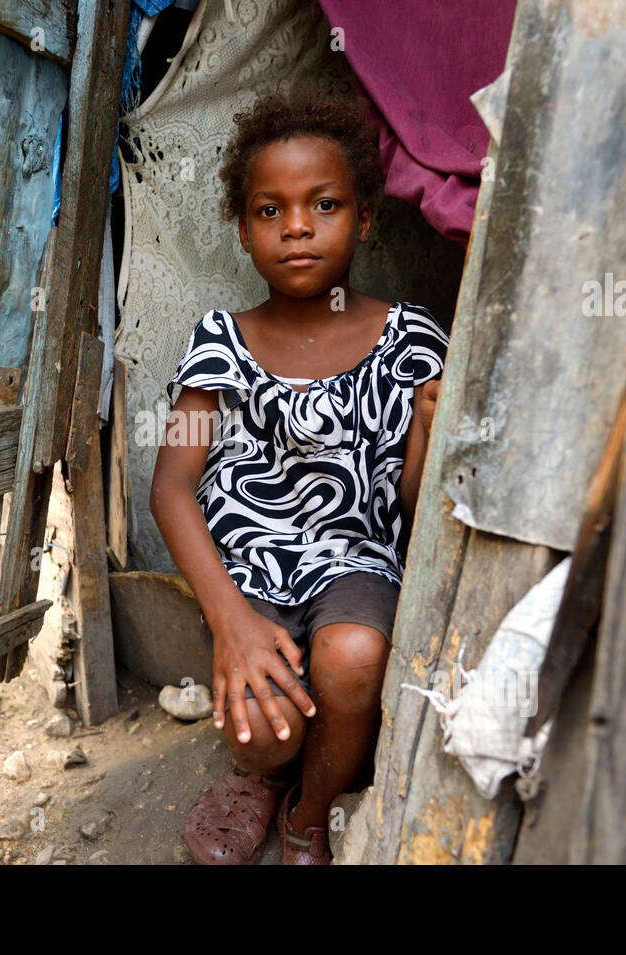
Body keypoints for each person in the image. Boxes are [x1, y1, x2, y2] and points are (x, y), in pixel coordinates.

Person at [149, 84, 449, 865]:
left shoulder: (412, 340)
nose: (298, 229)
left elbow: (415, 506)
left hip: (358, 564)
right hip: (252, 572)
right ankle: (264, 775)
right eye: (269, 211)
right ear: (243, 229)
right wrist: (231, 623)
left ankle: (309, 816)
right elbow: (171, 484)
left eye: (324, 204)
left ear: (366, 215)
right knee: (258, 729)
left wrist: (425, 428)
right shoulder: (220, 342)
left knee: (352, 656)